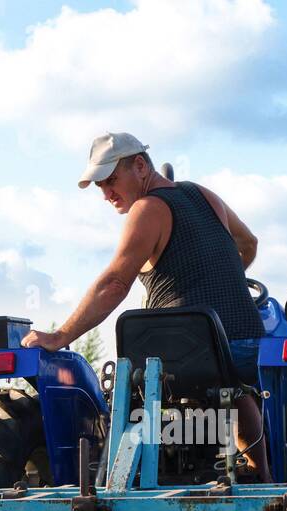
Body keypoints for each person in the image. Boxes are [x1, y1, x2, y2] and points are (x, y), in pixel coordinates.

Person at [21, 132, 270, 481]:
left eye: (111, 181)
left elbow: (114, 284)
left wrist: (60, 335)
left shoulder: (147, 209)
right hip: (246, 350)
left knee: (148, 375)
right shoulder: (204, 195)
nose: (107, 194)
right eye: (100, 187)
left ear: (140, 166)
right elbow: (248, 243)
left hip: (181, 361)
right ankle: (262, 475)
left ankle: (120, 479)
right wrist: (218, 278)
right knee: (233, 384)